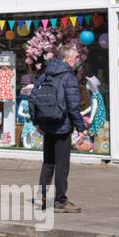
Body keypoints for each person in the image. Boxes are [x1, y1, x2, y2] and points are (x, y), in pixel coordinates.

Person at [32, 42, 87, 213]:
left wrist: (36, 122)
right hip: (62, 126)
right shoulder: (68, 77)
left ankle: (42, 196)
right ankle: (60, 201)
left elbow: (33, 98)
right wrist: (81, 127)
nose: (77, 60)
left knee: (48, 162)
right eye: (76, 56)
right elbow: (73, 105)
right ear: (68, 58)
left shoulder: (46, 74)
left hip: (47, 125)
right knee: (62, 165)